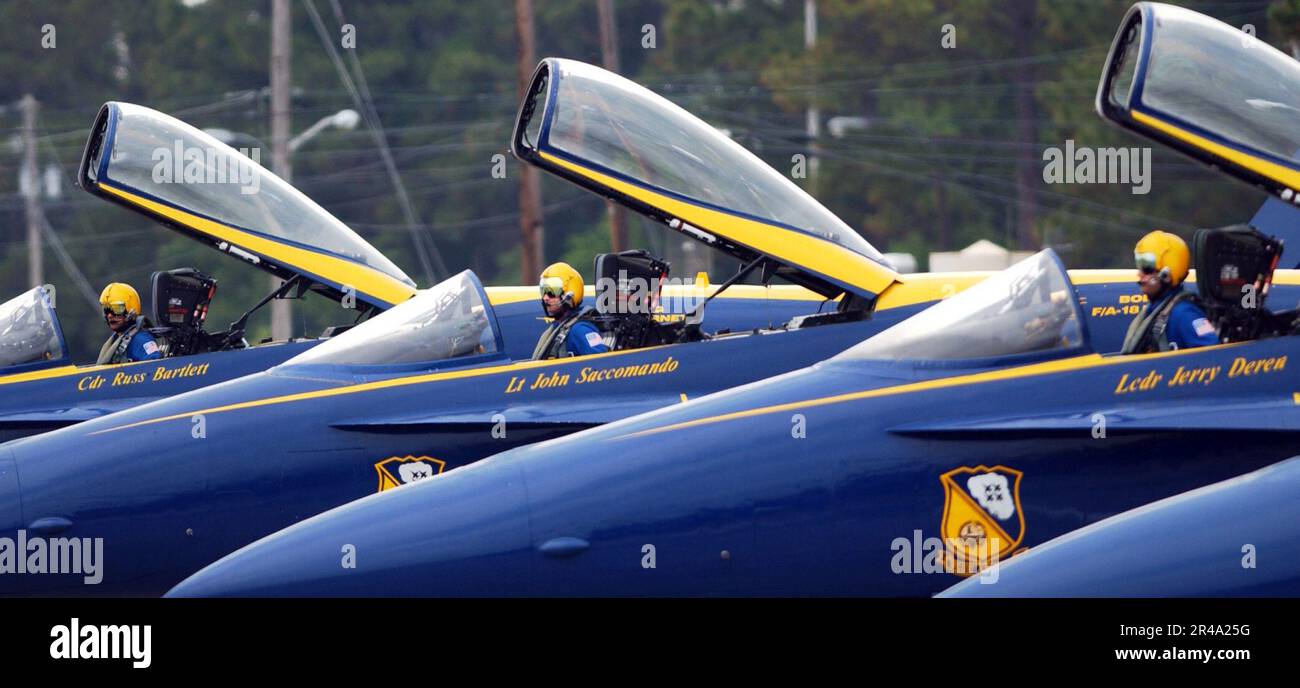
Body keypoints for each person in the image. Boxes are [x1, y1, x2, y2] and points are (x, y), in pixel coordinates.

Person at [1120, 230, 1219, 354]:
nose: (1140, 274)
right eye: (1139, 265)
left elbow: (1214, 357)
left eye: (1146, 267)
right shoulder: (1153, 310)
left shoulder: (1184, 314)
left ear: (1166, 274)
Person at [531, 262, 609, 359]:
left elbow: (603, 364)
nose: (546, 297)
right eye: (543, 291)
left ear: (570, 294)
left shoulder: (580, 330)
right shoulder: (555, 329)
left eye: (552, 292)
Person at [97, 282, 162, 364]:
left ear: (131, 310)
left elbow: (156, 367)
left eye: (117, 309)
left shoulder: (141, 339)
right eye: (106, 310)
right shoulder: (117, 340)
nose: (110, 315)